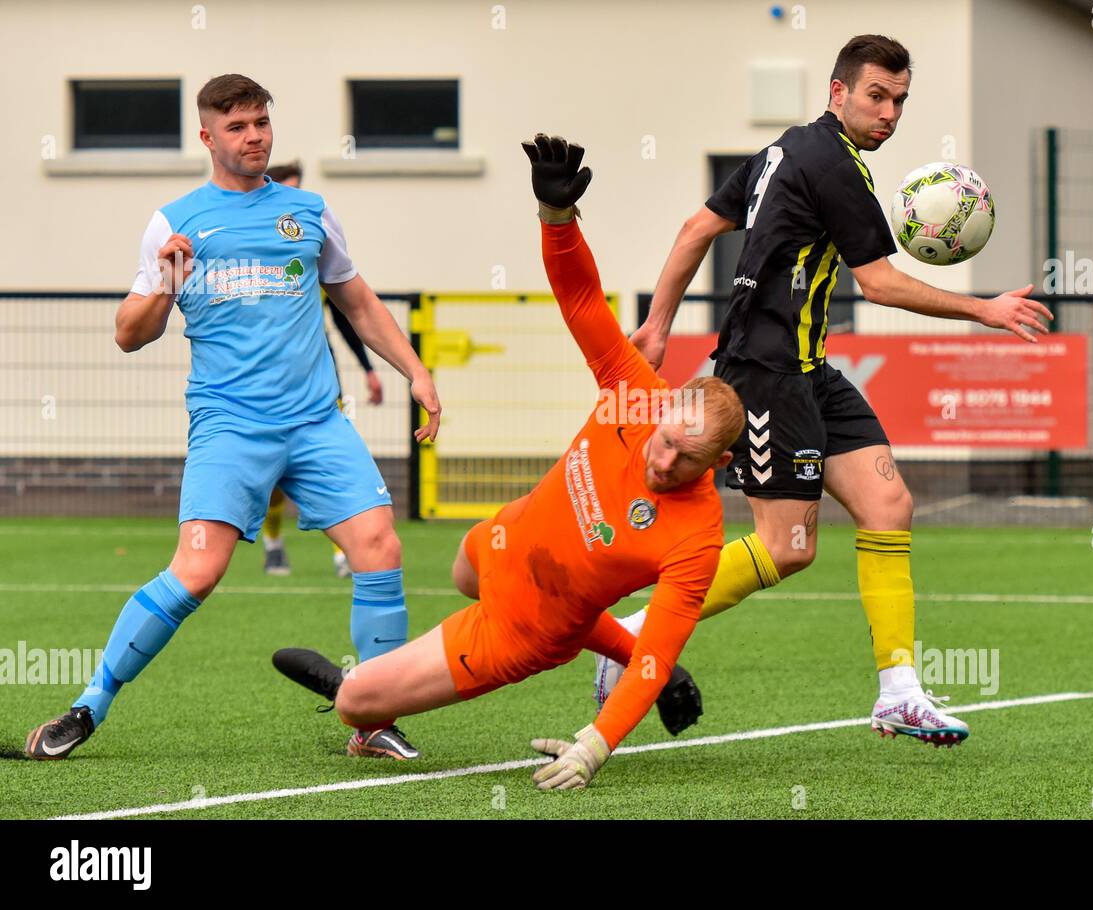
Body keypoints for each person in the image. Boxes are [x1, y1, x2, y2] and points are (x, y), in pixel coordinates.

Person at [597, 35, 1054, 747]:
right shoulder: (833, 165)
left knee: (888, 503)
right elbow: (878, 282)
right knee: (788, 547)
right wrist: (983, 309)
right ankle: (628, 637)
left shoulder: (787, 148)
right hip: (765, 374)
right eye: (877, 95)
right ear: (838, 92)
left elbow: (697, 229)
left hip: (807, 367)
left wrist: (657, 325)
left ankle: (899, 692)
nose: (890, 112)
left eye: (900, 100)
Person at [273, 134, 744, 790]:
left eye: (686, 458)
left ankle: (356, 690)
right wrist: (556, 219)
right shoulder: (638, 394)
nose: (661, 460)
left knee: (359, 704)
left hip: (516, 632)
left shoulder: (698, 537)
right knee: (462, 571)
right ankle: (395, 678)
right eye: (664, 439)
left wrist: (596, 745)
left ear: (720, 461)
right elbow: (582, 302)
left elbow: (658, 651)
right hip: (500, 538)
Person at [25, 74, 441, 762]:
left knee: (380, 547)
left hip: (316, 422)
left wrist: (417, 372)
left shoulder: (308, 211)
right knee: (196, 573)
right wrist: (163, 283)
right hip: (230, 426)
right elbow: (129, 334)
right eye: (238, 126)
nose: (254, 136)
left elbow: (358, 301)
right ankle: (87, 707)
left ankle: (374, 719)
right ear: (208, 136)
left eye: (261, 122)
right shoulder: (174, 222)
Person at [260, 160, 385, 579]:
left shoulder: (312, 248)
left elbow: (348, 314)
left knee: (332, 460)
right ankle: (274, 542)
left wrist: (368, 368)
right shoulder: (257, 256)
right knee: (276, 476)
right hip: (268, 385)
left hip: (319, 375)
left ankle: (342, 551)